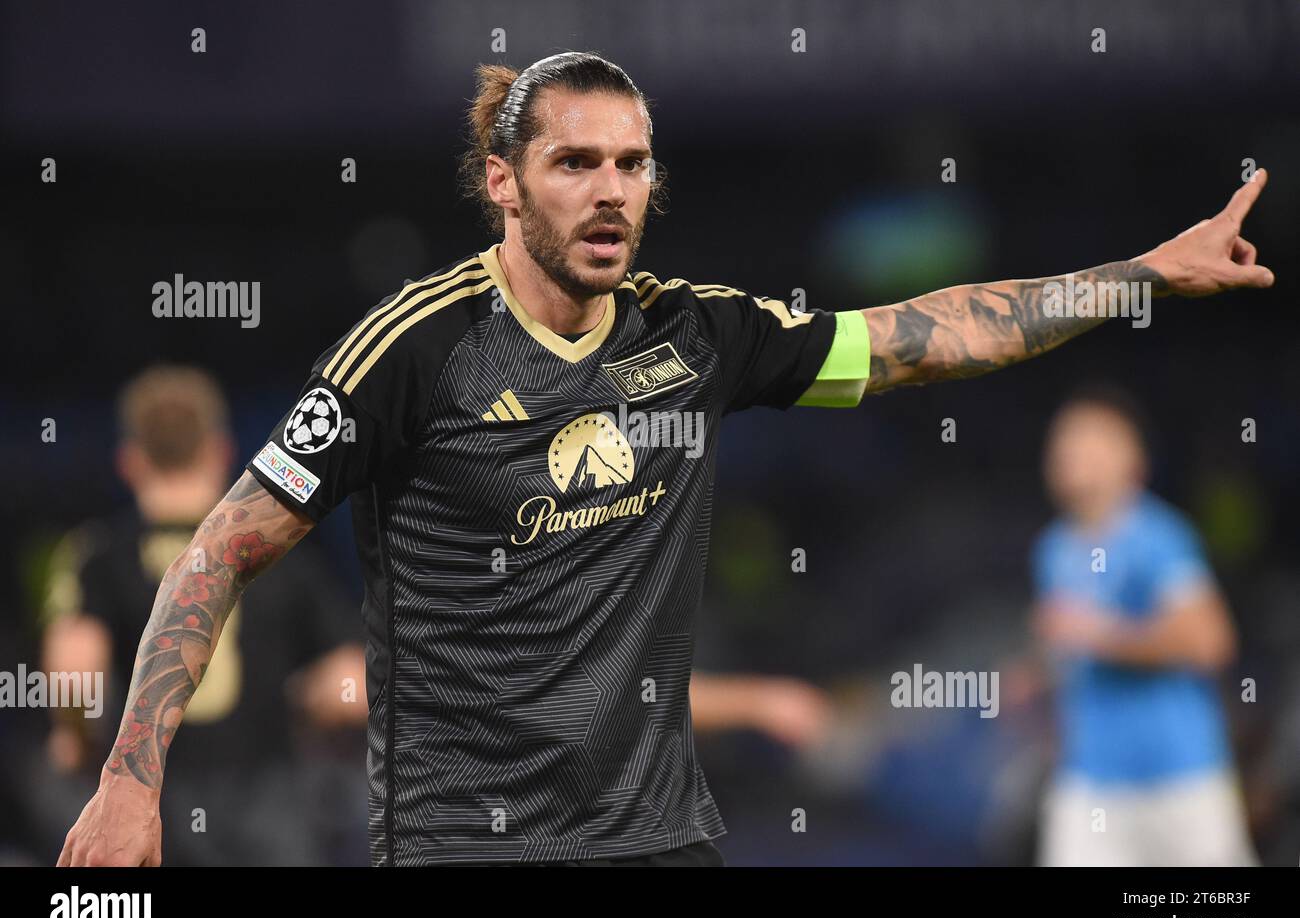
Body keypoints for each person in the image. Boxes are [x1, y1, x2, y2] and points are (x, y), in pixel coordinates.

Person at [59, 51, 1273, 867]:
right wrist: (128, 775)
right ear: (502, 183)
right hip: (466, 844)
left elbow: (924, 339)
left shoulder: (695, 335)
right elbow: (219, 549)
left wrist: (1139, 277)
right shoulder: (410, 352)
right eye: (574, 163)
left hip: (661, 838)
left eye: (631, 165)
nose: (609, 193)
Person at [44, 365, 365, 865]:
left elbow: (72, 676)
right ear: (221, 452)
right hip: (270, 811)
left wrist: (77, 743)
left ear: (130, 461)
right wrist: (300, 699)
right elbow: (352, 686)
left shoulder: (100, 556)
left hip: (155, 809)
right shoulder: (279, 554)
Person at [1030, 386, 1256, 865]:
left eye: (1089, 439)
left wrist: (1099, 635)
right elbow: (1070, 660)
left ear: (1129, 456)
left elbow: (1209, 641)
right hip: (1090, 781)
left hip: (1178, 776)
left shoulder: (1159, 537)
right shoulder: (1052, 550)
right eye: (1063, 441)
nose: (1070, 452)